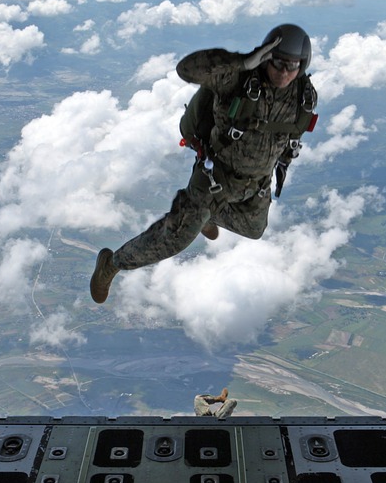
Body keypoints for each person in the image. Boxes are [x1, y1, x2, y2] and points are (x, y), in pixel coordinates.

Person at [90, 24, 318, 304]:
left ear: (302, 66)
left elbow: (289, 137)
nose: (284, 72)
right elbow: (186, 69)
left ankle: (207, 218)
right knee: (173, 240)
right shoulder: (237, 81)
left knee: (254, 229)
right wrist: (242, 62)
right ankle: (112, 264)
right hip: (214, 181)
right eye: (278, 62)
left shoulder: (303, 97)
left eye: (292, 66)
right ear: (267, 56)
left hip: (257, 184)